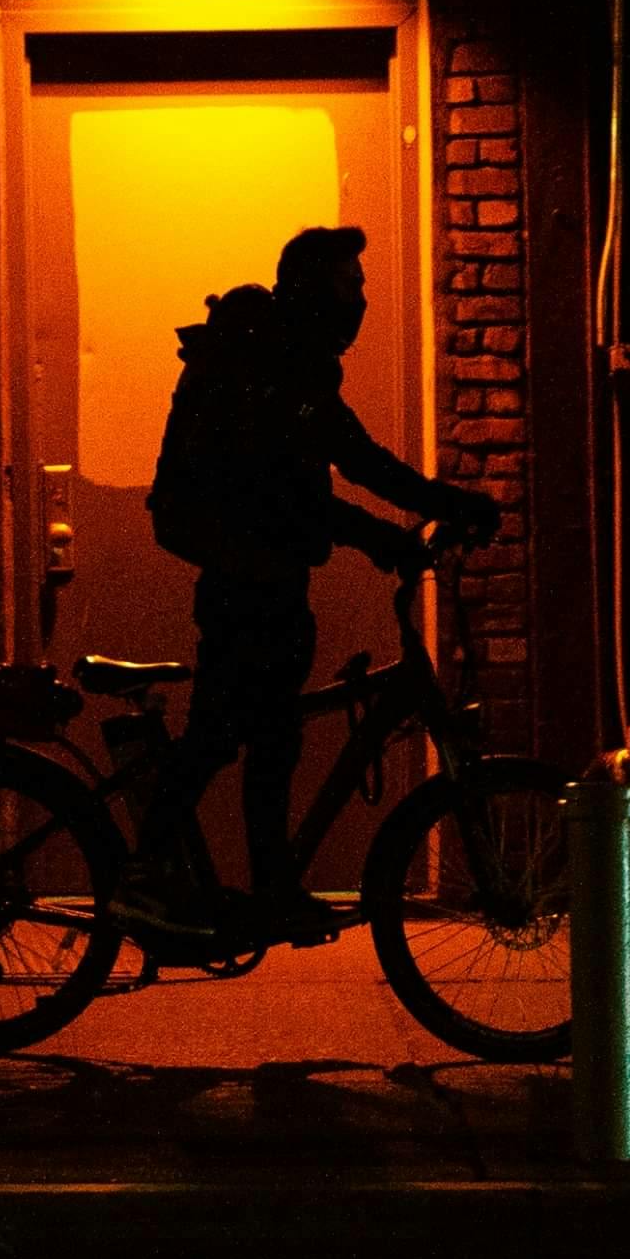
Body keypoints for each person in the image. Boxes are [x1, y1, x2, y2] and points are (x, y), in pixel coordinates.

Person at [121, 224, 498, 947]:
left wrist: (446, 503)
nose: (359, 297)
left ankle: (271, 892)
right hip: (247, 583)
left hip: (269, 581)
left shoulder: (295, 370)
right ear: (309, 289)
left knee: (271, 739)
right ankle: (146, 879)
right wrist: (392, 536)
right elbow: (301, 498)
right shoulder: (271, 371)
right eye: (349, 283)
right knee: (227, 735)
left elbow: (358, 459)